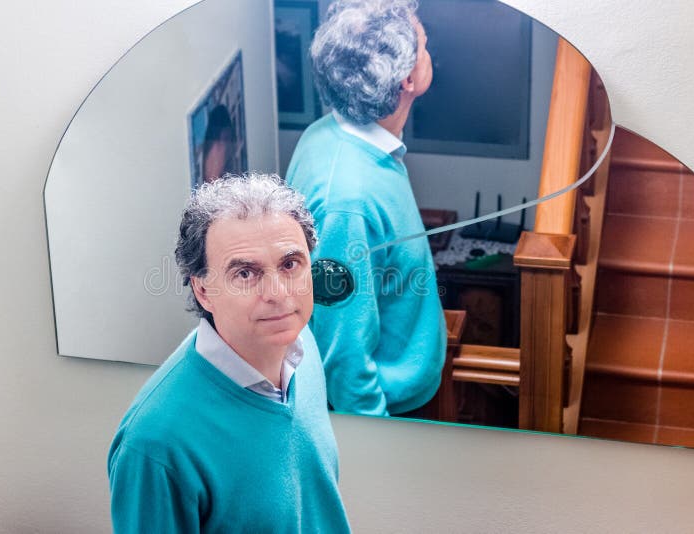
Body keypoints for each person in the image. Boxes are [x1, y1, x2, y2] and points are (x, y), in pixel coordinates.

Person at [108, 174, 351, 533]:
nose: (278, 293)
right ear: (204, 290)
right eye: (245, 273)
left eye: (289, 264)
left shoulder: (302, 346)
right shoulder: (155, 445)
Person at [286, 0, 446, 417]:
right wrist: (376, 448)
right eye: (424, 45)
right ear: (407, 79)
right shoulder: (347, 200)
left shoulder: (329, 133)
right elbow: (345, 360)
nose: (430, 51)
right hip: (390, 411)